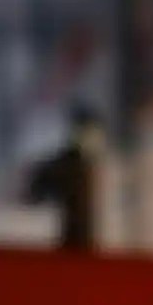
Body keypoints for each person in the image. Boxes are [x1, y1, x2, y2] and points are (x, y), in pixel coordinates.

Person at [24, 105, 103, 251]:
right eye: (91, 130)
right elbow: (34, 192)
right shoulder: (69, 165)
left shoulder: (87, 164)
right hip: (70, 245)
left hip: (81, 246)